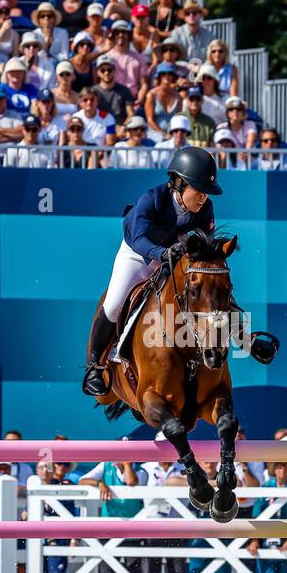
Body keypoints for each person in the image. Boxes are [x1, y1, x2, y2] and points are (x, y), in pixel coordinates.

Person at [82, 145, 220, 396]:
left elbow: (205, 246)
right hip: (137, 254)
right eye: (199, 191)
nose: (204, 198)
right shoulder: (152, 199)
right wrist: (162, 255)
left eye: (206, 193)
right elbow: (139, 238)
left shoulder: (205, 209)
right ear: (179, 183)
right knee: (114, 303)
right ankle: (94, 366)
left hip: (173, 257)